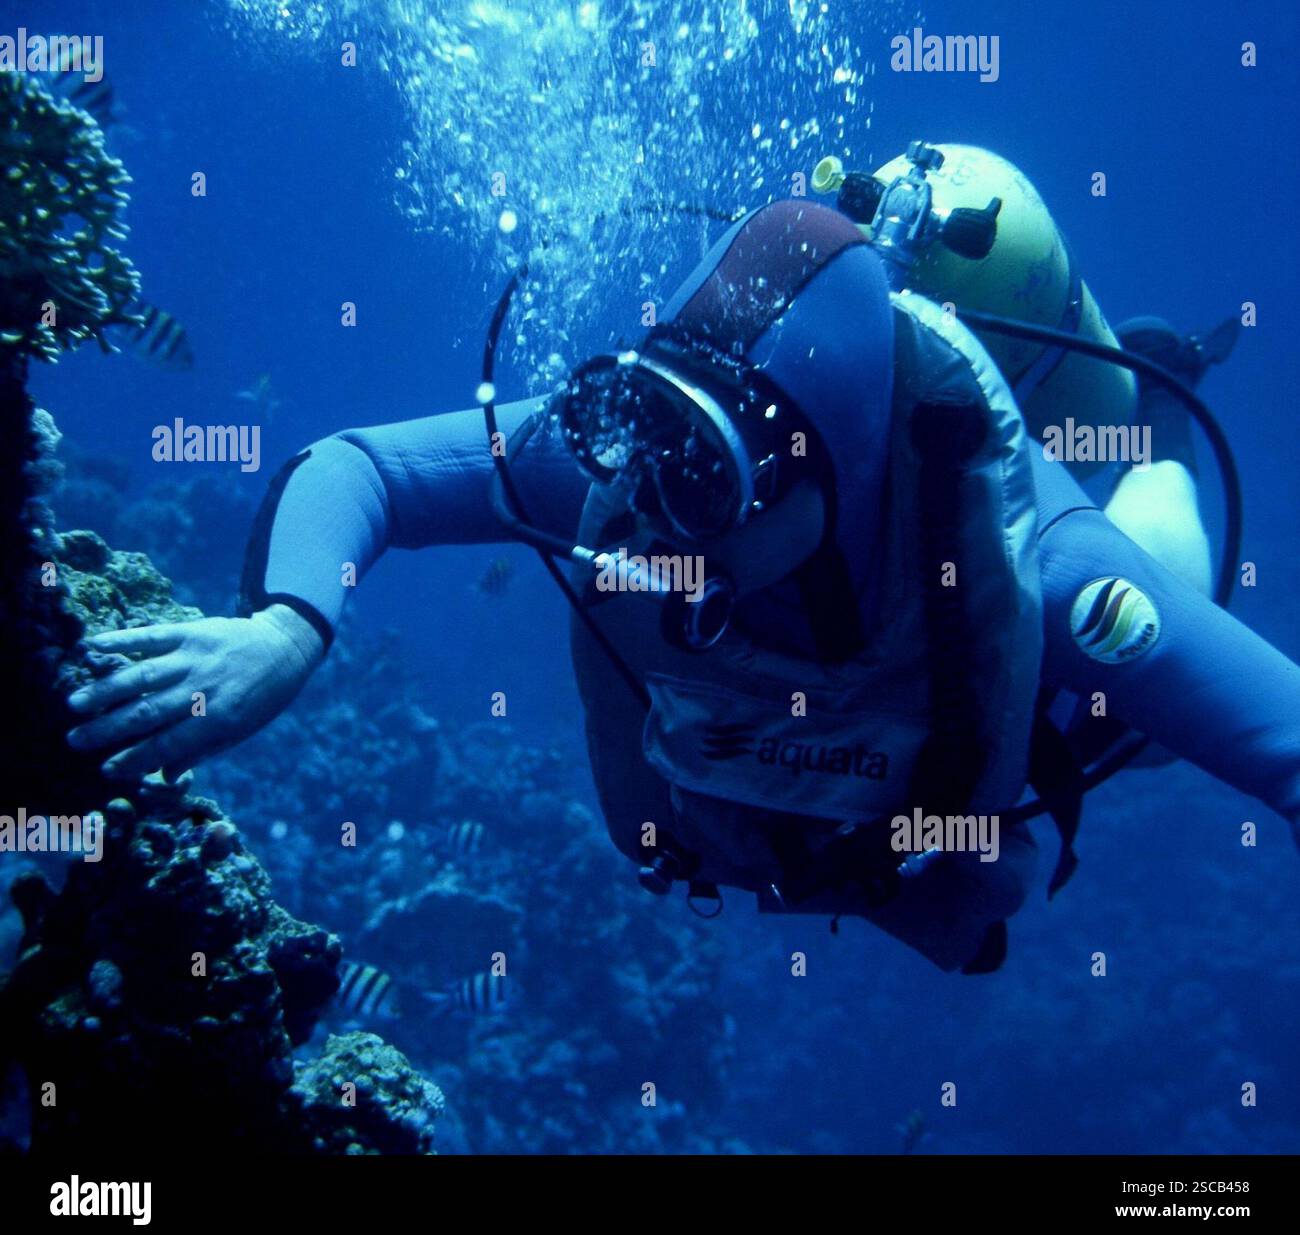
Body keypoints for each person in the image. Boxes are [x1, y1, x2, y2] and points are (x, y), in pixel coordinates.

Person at [67, 147, 1300, 973]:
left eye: (706, 481)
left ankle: (1156, 414)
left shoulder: (1053, 572)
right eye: (645, 446)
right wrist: (288, 629)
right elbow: (363, 470)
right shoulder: (632, 469)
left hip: (1008, 709)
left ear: (839, 470)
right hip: (805, 822)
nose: (656, 517)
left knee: (1038, 806)